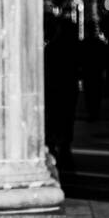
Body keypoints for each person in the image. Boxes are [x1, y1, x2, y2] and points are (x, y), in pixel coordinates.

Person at [44, 12, 81, 172]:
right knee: (65, 119)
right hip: (66, 89)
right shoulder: (72, 48)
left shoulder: (52, 47)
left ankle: (54, 147)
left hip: (55, 89)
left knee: (55, 119)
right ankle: (63, 149)